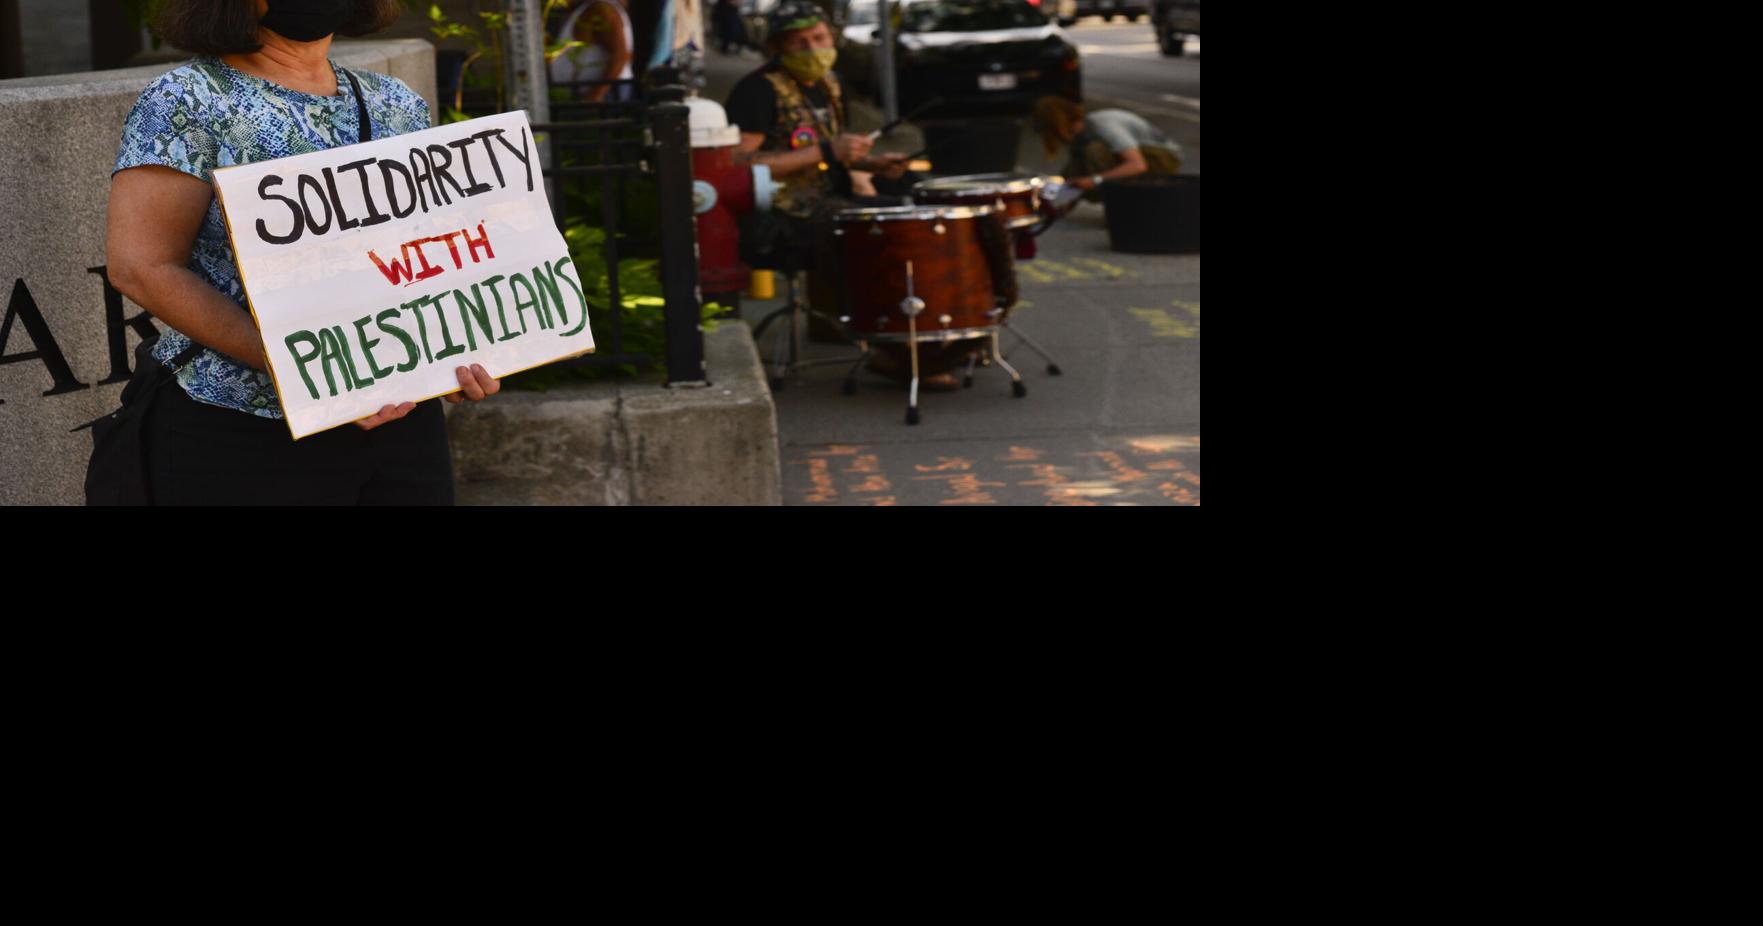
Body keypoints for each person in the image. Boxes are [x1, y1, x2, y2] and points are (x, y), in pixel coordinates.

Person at [105, 0, 500, 506]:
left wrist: (457, 351)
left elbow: (428, 256)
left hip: (400, 422)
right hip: (241, 428)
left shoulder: (395, 103)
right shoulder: (188, 100)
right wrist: (309, 369)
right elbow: (141, 266)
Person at [1030, 96, 1184, 199]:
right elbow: (1072, 177)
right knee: (1074, 173)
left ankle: (1124, 205)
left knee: (1095, 151)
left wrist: (1095, 180)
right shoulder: (1080, 137)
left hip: (1164, 159)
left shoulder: (1102, 124)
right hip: (1143, 159)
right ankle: (1117, 201)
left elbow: (1137, 165)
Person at [550, 0, 635, 102]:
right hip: (584, 95)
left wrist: (595, 95)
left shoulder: (602, 10)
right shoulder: (590, 8)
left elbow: (620, 56)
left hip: (602, 97)